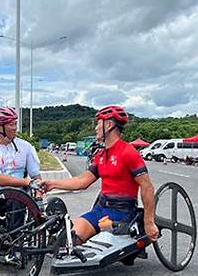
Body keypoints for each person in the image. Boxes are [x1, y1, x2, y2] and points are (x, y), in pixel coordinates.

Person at [39, 105, 159, 253]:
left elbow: (147, 187)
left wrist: (149, 222)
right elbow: (82, 182)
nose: (96, 128)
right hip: (101, 209)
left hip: (122, 211)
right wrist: (52, 184)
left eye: (98, 123)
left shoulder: (128, 152)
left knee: (96, 246)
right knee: (68, 241)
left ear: (108, 125)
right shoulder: (101, 155)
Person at [0, 107, 41, 191]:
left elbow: (35, 175)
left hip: (21, 195)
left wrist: (39, 191)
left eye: (15, 124)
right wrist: (27, 182)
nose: (15, 128)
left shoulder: (26, 146)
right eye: (11, 125)